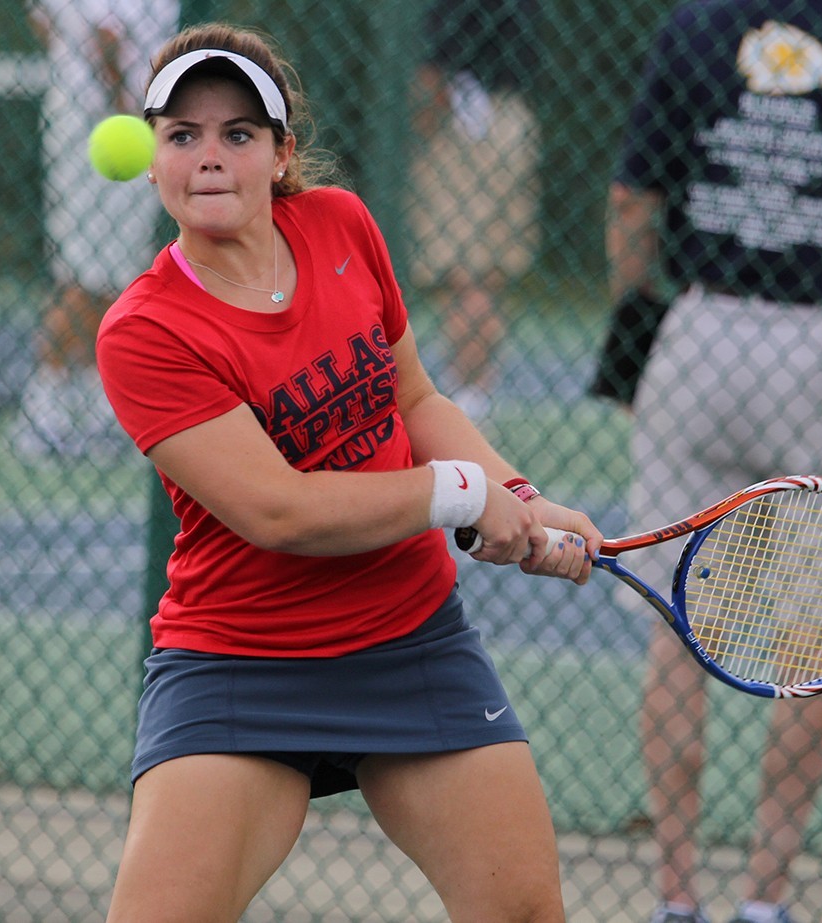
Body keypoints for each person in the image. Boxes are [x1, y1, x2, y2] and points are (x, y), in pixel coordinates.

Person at [93, 22, 603, 923]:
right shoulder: (145, 331)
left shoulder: (341, 225)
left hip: (409, 641)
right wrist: (464, 494)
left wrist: (517, 495)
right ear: (152, 160)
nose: (210, 157)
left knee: (524, 914)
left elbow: (414, 399)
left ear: (281, 153)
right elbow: (280, 511)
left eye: (238, 134)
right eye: (184, 135)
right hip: (241, 660)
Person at [590, 3, 822, 922]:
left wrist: (640, 332)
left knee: (677, 624)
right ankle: (763, 898)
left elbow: (633, 201)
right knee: (817, 642)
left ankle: (676, 894)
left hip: (703, 333)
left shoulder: (696, 28)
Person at [11, 0, 178, 457]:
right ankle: (43, 413)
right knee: (88, 277)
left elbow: (45, 19)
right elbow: (108, 34)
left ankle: (91, 407)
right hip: (113, 128)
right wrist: (123, 105)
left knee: (109, 275)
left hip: (89, 121)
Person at [406, 0, 541, 420]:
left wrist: (421, 127)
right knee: (489, 275)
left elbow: (434, 65)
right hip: (512, 117)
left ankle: (467, 393)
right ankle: (478, 389)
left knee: (466, 276)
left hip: (464, 124)